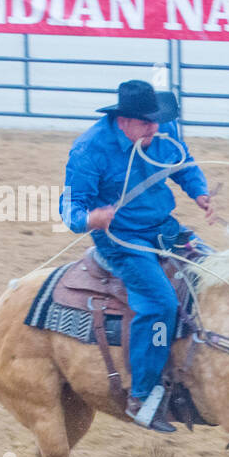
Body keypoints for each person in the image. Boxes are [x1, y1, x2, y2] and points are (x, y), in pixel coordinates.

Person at [61, 80, 215, 433]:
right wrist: (92, 219)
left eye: (157, 121)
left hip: (163, 226)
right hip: (121, 241)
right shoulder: (89, 150)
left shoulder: (162, 131)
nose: (155, 128)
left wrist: (200, 192)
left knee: (216, 271)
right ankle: (142, 395)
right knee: (159, 303)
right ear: (124, 121)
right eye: (147, 123)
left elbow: (184, 164)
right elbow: (70, 207)